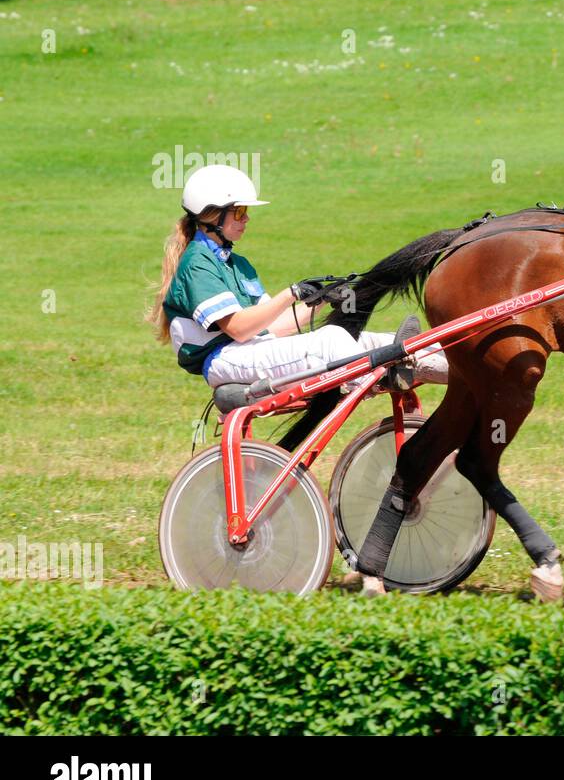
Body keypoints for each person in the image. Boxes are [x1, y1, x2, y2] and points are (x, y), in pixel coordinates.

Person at [146, 163, 448, 595]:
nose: (247, 219)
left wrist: (320, 299)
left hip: (249, 350)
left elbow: (274, 329)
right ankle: (383, 370)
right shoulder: (197, 264)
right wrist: (290, 294)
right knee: (331, 344)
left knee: (366, 338)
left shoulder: (234, 262)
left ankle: (444, 365)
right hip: (226, 361)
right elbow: (239, 327)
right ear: (212, 215)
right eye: (240, 212)